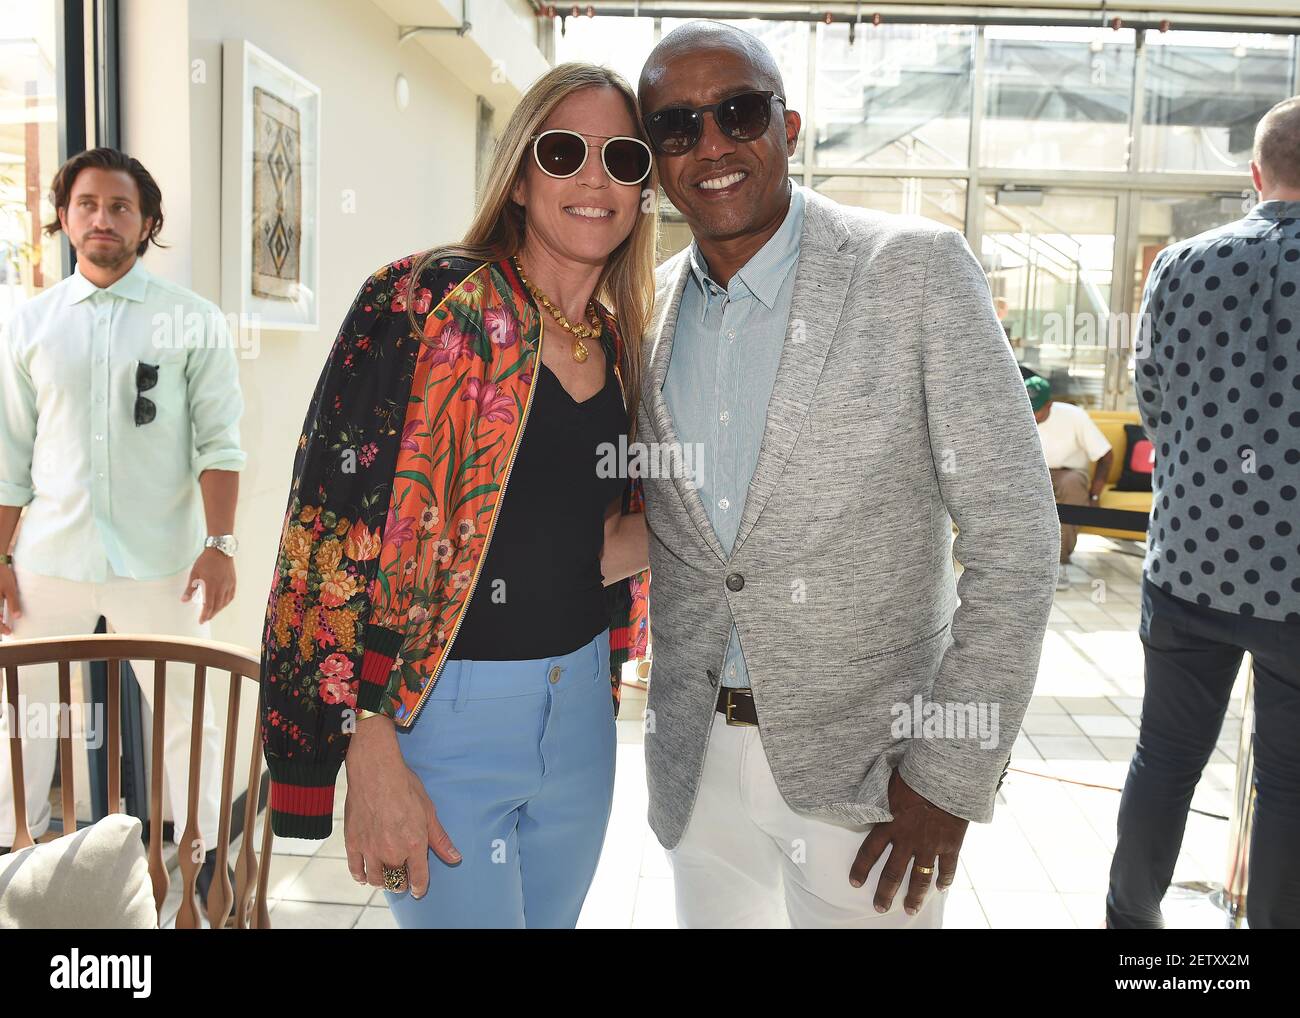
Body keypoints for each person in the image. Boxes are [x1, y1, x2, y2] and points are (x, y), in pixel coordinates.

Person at [634, 22, 1059, 929]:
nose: (710, 145)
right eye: (676, 127)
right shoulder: (646, 305)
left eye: (737, 112)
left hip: (873, 785)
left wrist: (947, 779)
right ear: (654, 158)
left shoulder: (915, 270)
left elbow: (1017, 541)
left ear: (787, 126)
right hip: (694, 770)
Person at [258, 63, 653, 929]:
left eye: (622, 159)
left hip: (582, 711)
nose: (595, 178)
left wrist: (726, 520)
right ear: (519, 178)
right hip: (437, 717)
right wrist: (366, 742)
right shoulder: (420, 302)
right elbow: (324, 533)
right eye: (564, 152)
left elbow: (583, 546)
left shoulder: (623, 345)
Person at [0, 148, 244, 907]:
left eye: (120, 207)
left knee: (187, 715)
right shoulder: (29, 325)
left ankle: (205, 858)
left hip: (164, 561)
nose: (102, 219)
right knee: (21, 715)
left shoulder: (192, 320)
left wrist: (220, 545)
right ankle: (15, 854)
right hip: (49, 559)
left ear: (147, 223)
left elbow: (220, 442)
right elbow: (9, 452)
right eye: (87, 204)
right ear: (65, 217)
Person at [1106, 95, 1300, 930]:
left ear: (1256, 174)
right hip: (1295, 586)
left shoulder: (1179, 264)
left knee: (1166, 758)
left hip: (1188, 562)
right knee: (1289, 780)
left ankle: (1130, 925)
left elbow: (1152, 398)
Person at [1026, 374, 1114, 580]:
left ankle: (1058, 563)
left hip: (1070, 472)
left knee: (1071, 484)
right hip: (1034, 473)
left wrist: (1095, 494)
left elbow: (1106, 456)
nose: (1031, 413)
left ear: (1049, 404)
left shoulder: (1074, 416)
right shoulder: (1017, 415)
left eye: (1036, 408)